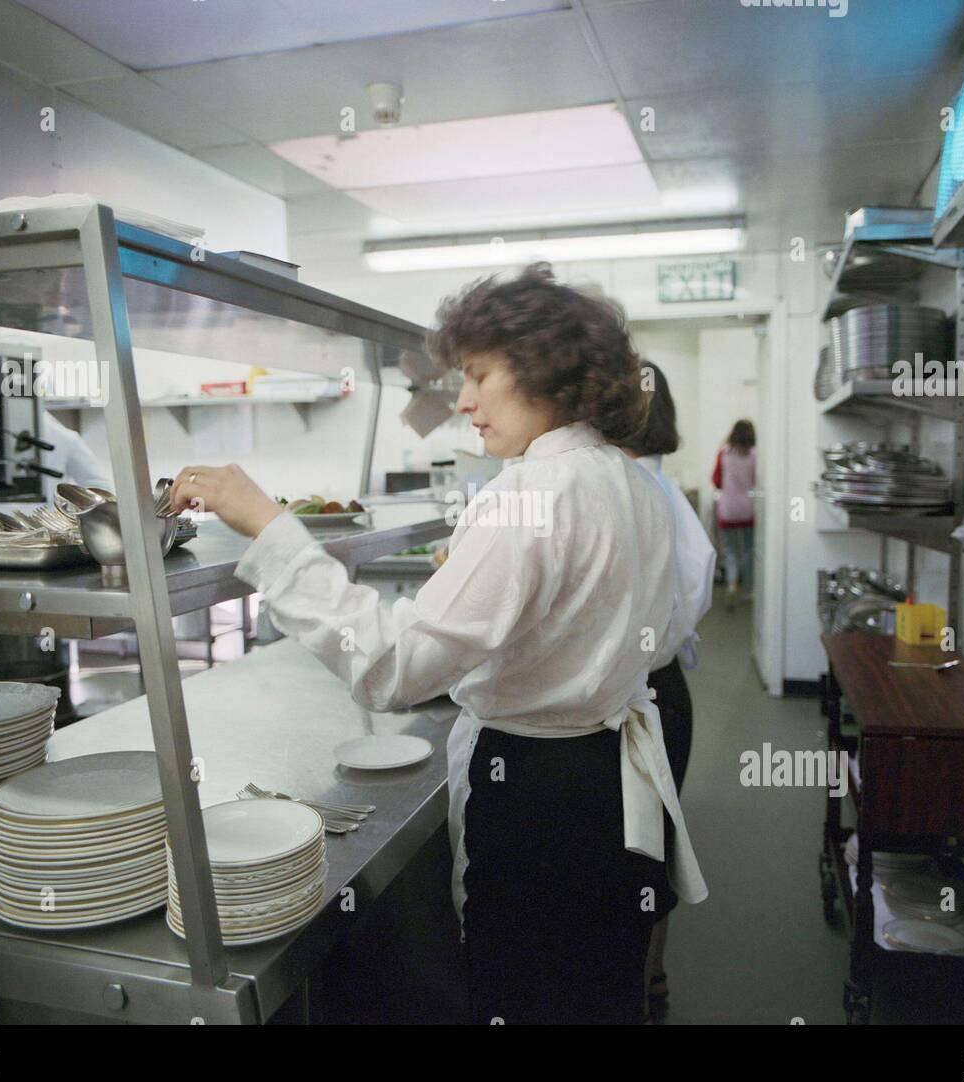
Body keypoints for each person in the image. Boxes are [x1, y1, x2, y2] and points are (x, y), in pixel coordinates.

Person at [171, 264, 707, 1024]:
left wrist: (267, 524)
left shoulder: (529, 495)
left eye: (479, 375)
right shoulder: (629, 482)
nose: (461, 402)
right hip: (608, 787)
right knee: (594, 991)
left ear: (546, 369)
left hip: (537, 803)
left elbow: (391, 665)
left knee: (526, 994)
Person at [615, 363, 716, 1020]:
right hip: (666, 693)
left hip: (639, 697)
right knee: (653, 848)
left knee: (638, 854)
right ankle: (652, 981)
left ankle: (639, 988)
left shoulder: (634, 498)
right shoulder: (662, 492)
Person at [713, 419, 756, 610]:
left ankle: (731, 586)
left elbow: (716, 480)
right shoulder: (754, 455)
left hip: (728, 509)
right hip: (747, 509)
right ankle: (748, 590)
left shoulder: (725, 452)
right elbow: (756, 481)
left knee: (731, 552)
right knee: (747, 551)